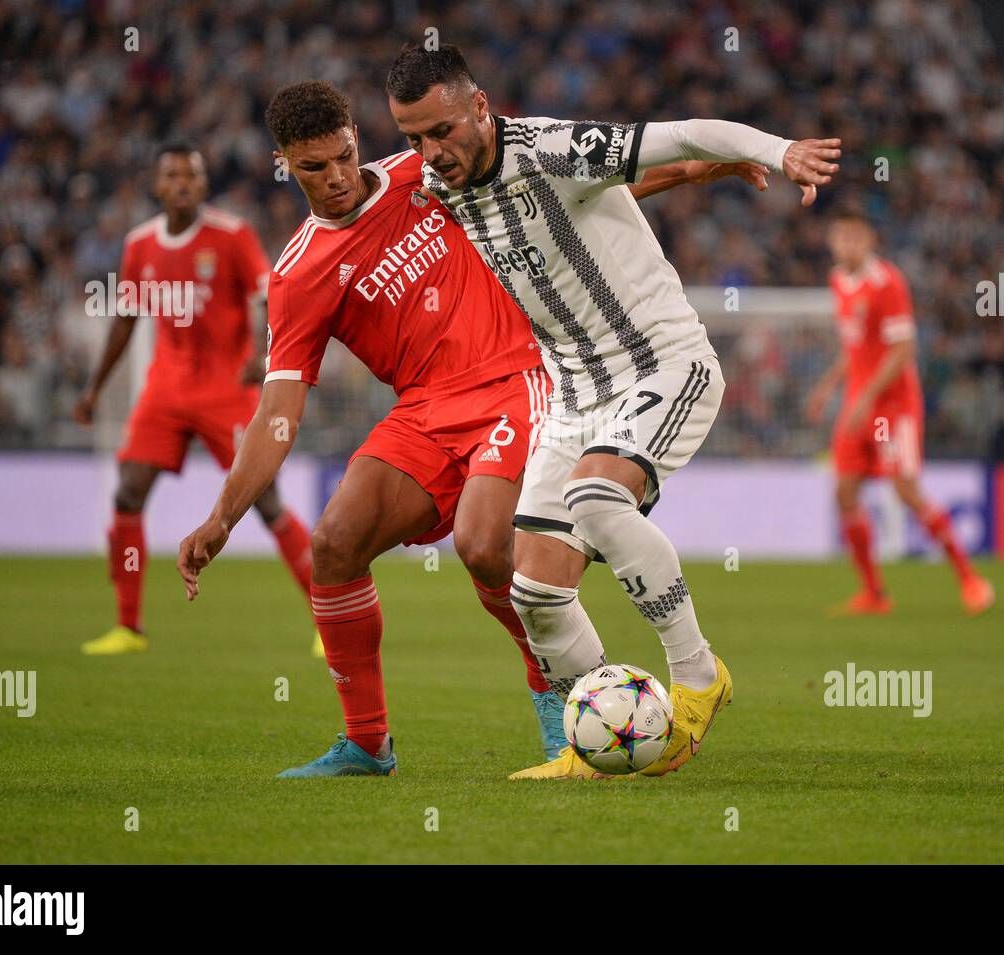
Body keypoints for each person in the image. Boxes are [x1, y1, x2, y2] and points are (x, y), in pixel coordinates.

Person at [177, 80, 767, 777]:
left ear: (356, 137)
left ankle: (564, 702)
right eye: (313, 167)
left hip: (520, 375)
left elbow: (556, 209)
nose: (334, 177)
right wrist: (222, 517)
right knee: (333, 544)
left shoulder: (424, 173)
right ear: (283, 161)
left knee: (484, 544)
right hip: (425, 412)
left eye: (342, 155)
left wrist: (692, 167)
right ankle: (368, 742)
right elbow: (279, 412)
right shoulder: (300, 272)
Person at [385, 42, 839, 779]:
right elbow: (556, 211)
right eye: (412, 139)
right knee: (533, 589)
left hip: (664, 363)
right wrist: (684, 177)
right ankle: (606, 739)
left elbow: (689, 129)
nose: (430, 152)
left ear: (479, 106)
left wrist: (781, 151)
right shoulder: (437, 181)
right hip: (572, 397)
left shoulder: (554, 146)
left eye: (441, 131)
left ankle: (697, 677)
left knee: (596, 498)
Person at [77, 144, 314, 656]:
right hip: (166, 389)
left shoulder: (231, 236)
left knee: (266, 502)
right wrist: (95, 387)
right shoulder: (140, 244)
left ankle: (327, 621)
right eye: (172, 175)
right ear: (157, 185)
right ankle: (128, 626)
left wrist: (261, 352)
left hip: (227, 389)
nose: (182, 183)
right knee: (126, 493)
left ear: (204, 185)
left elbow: (266, 295)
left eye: (192, 175)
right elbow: (126, 320)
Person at [806, 212, 994, 617]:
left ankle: (971, 579)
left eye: (855, 238)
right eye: (841, 237)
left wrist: (866, 397)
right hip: (858, 404)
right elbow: (854, 348)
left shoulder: (887, 282)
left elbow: (903, 350)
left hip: (893, 407)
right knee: (845, 493)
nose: (847, 246)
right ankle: (874, 593)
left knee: (906, 490)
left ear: (870, 239)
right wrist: (827, 387)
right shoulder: (840, 281)